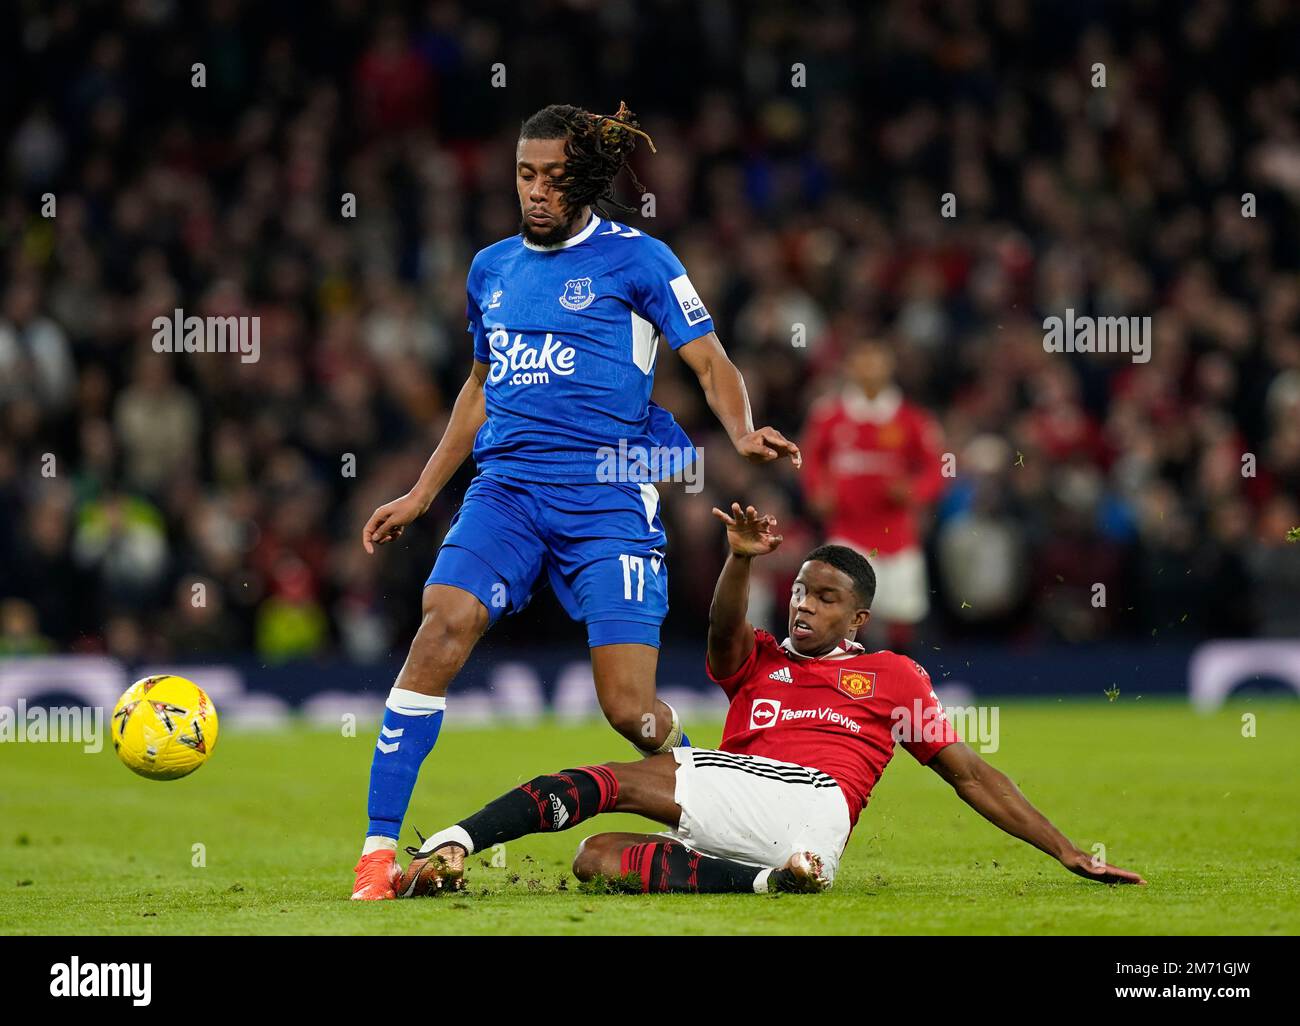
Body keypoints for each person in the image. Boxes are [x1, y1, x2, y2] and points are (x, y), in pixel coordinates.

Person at [351, 103, 802, 900]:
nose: (536, 192)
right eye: (525, 175)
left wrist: (739, 429)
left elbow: (709, 359)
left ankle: (726, 806)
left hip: (608, 498)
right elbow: (480, 388)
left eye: (553, 178)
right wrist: (423, 492)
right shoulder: (491, 268)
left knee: (629, 710)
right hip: (508, 492)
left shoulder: (640, 259)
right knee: (441, 623)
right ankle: (378, 855)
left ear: (583, 179)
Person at [396, 502, 1145, 896]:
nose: (805, 608)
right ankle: (768, 882)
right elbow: (724, 633)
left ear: (858, 618)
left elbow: (969, 774)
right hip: (770, 828)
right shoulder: (758, 661)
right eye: (798, 591)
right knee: (597, 859)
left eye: (826, 599)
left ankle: (452, 843)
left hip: (812, 801)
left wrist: (1065, 850)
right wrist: (738, 563)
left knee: (614, 781)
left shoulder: (892, 675)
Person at [801, 336, 944, 647]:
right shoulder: (829, 417)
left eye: (876, 359)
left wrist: (914, 491)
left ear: (889, 366)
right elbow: (810, 459)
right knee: (843, 615)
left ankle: (902, 687)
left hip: (897, 536)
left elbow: (938, 467)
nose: (869, 367)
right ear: (850, 366)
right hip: (846, 532)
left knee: (903, 617)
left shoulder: (911, 419)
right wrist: (818, 492)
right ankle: (851, 687)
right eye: (862, 359)